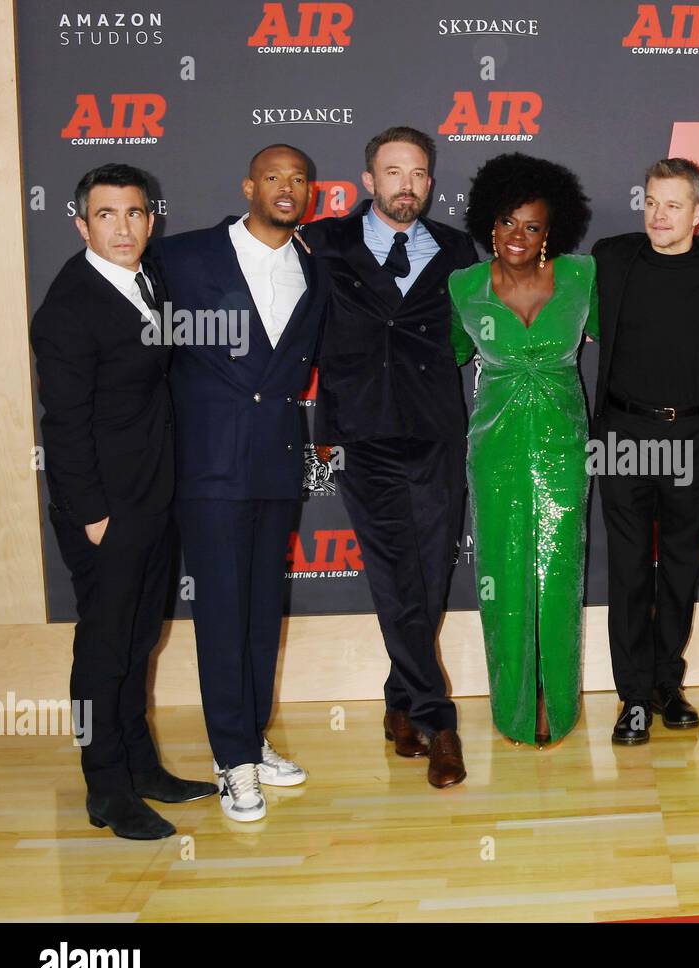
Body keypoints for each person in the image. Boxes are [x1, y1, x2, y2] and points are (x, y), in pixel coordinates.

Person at [31, 164, 216, 840]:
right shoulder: (70, 306)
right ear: (81, 224)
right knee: (104, 650)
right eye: (106, 215)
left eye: (134, 213)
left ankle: (142, 769)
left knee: (140, 639)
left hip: (152, 493)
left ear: (150, 218)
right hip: (105, 507)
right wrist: (92, 516)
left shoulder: (146, 280)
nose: (123, 227)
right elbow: (63, 424)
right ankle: (105, 787)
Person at [301, 127, 477, 788]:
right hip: (357, 434)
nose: (407, 184)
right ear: (369, 180)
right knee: (391, 571)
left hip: (436, 431)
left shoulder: (459, 249)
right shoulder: (324, 242)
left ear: (430, 183)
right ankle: (439, 721)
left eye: (419, 173)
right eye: (393, 171)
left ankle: (398, 704)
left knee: (427, 576)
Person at [159, 144, 327, 821]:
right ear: (247, 185)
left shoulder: (315, 271)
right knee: (223, 614)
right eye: (273, 178)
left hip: (277, 462)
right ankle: (232, 761)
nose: (286, 189)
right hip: (208, 464)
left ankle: (250, 740)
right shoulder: (186, 257)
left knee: (260, 614)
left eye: (298, 180)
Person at [590, 158, 699, 745]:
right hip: (623, 436)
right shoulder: (611, 258)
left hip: (695, 435)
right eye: (652, 202)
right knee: (630, 569)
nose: (659, 215)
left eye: (673, 205)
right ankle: (632, 696)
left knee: (681, 567)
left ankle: (666, 683)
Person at [449, 153, 596, 747]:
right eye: (508, 222)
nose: (517, 236)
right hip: (496, 447)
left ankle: (555, 702)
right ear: (489, 222)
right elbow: (452, 355)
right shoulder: (463, 285)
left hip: (563, 443)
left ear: (549, 234)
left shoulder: (583, 278)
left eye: (532, 226)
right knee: (504, 572)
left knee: (559, 571)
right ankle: (513, 704)